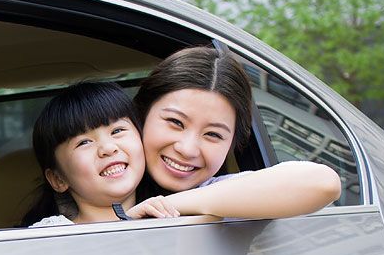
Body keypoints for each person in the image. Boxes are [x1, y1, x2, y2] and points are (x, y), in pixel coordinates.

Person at [131, 43, 341, 218]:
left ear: (231, 144)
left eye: (213, 134)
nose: (188, 149)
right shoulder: (102, 178)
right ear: (141, 115)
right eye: (176, 122)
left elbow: (323, 183)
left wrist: (167, 204)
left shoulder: (227, 196)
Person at [20, 81, 177, 228]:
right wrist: (126, 221)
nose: (108, 148)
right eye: (84, 142)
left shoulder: (172, 212)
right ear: (58, 179)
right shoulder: (50, 233)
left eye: (117, 131)